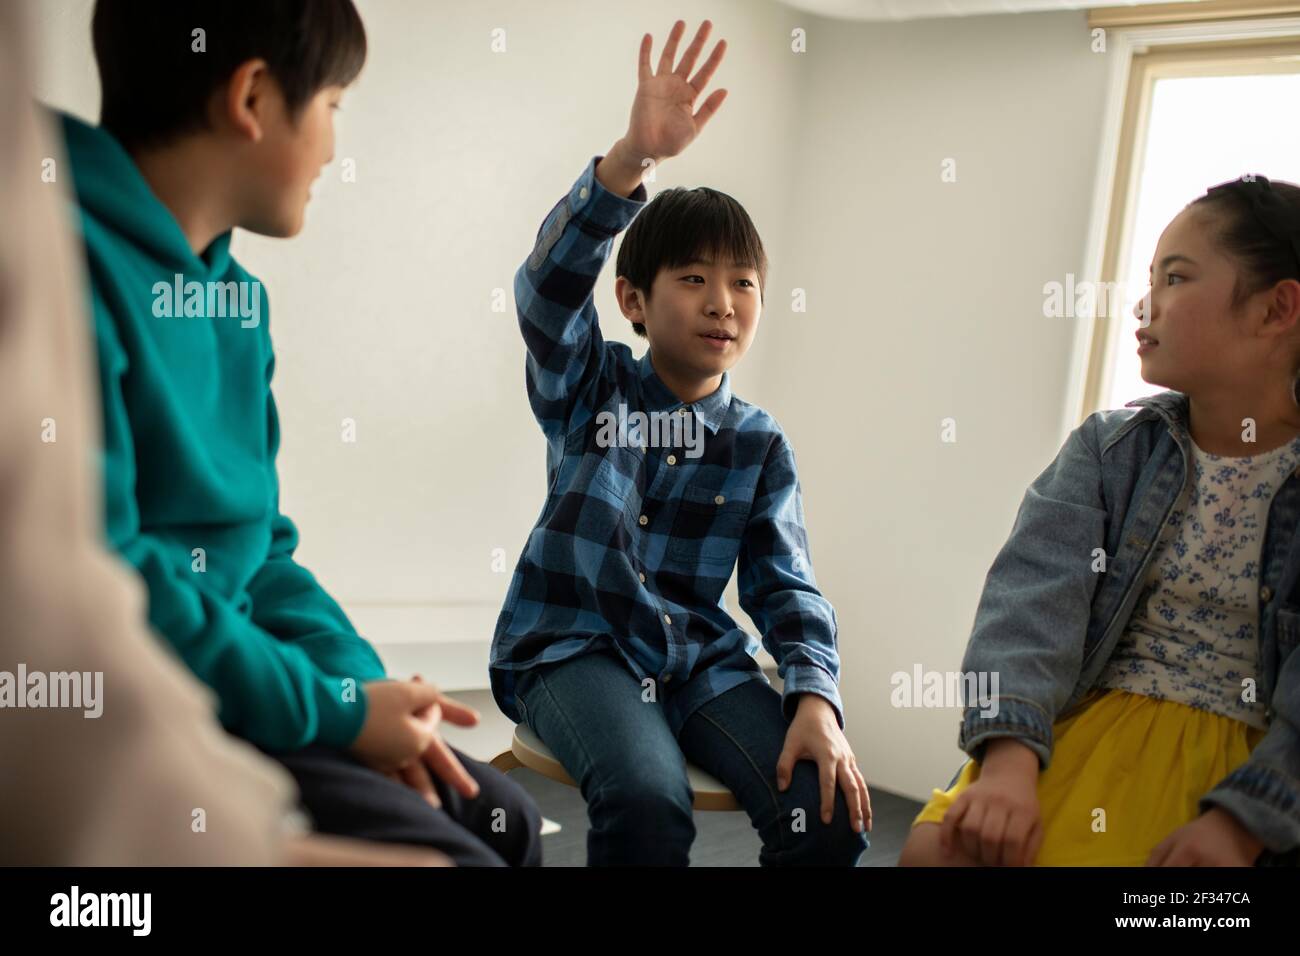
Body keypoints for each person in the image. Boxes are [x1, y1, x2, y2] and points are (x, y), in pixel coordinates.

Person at [64, 0, 540, 865]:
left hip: (256, 682)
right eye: (332, 107)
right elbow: (116, 580)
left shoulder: (238, 306)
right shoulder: (62, 259)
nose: (333, 148)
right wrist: (341, 715)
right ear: (251, 99)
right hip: (154, 703)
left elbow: (264, 554)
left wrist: (365, 686)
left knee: (504, 820)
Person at [489, 19, 870, 866]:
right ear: (633, 299)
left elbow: (785, 583)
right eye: (692, 279)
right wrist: (631, 158)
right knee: (647, 801)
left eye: (742, 282)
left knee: (832, 812)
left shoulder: (759, 444)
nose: (721, 302)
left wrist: (816, 697)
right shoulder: (593, 388)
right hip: (573, 645)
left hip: (697, 658)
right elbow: (546, 292)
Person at [901, 175, 1300, 866]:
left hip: (1260, 768)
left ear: (1276, 309)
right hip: (1096, 723)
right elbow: (1029, 604)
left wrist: (1243, 822)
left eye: (1175, 278)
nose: (1145, 304)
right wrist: (1008, 764)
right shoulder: (1110, 448)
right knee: (934, 854)